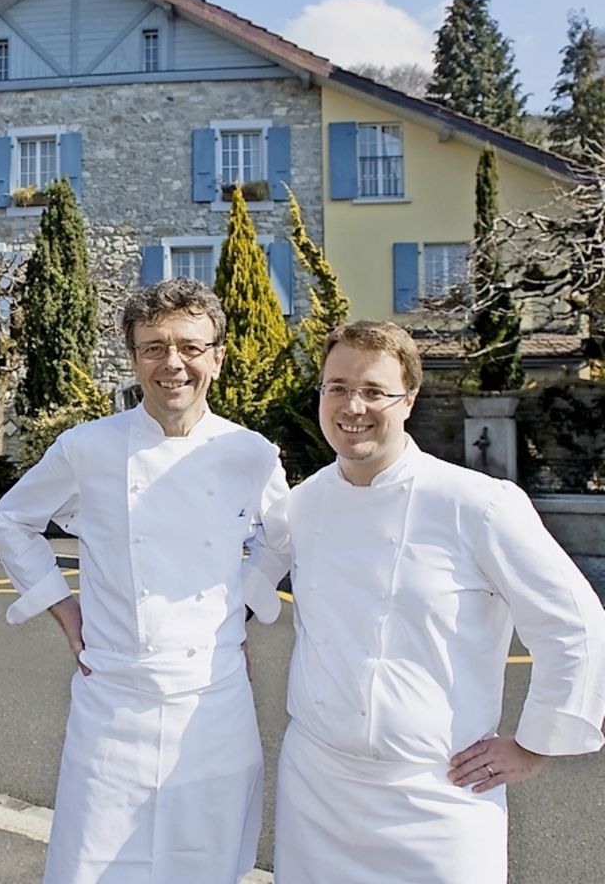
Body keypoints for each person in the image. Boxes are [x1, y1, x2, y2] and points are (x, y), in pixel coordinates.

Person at [244, 320, 605, 883]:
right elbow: (233, 587)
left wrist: (536, 744)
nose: (352, 406)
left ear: (409, 399)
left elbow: (575, 622)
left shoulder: (477, 504)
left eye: (374, 391)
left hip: (440, 799)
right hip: (318, 793)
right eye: (336, 387)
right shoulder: (303, 503)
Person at [0, 278, 289, 884]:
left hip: (214, 698)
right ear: (133, 358)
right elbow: (11, 521)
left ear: (218, 358)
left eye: (190, 347)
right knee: (93, 863)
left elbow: (279, 540)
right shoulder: (87, 447)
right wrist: (63, 609)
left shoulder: (250, 451)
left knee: (207, 859)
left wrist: (238, 610)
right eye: (153, 347)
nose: (171, 363)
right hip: (114, 698)